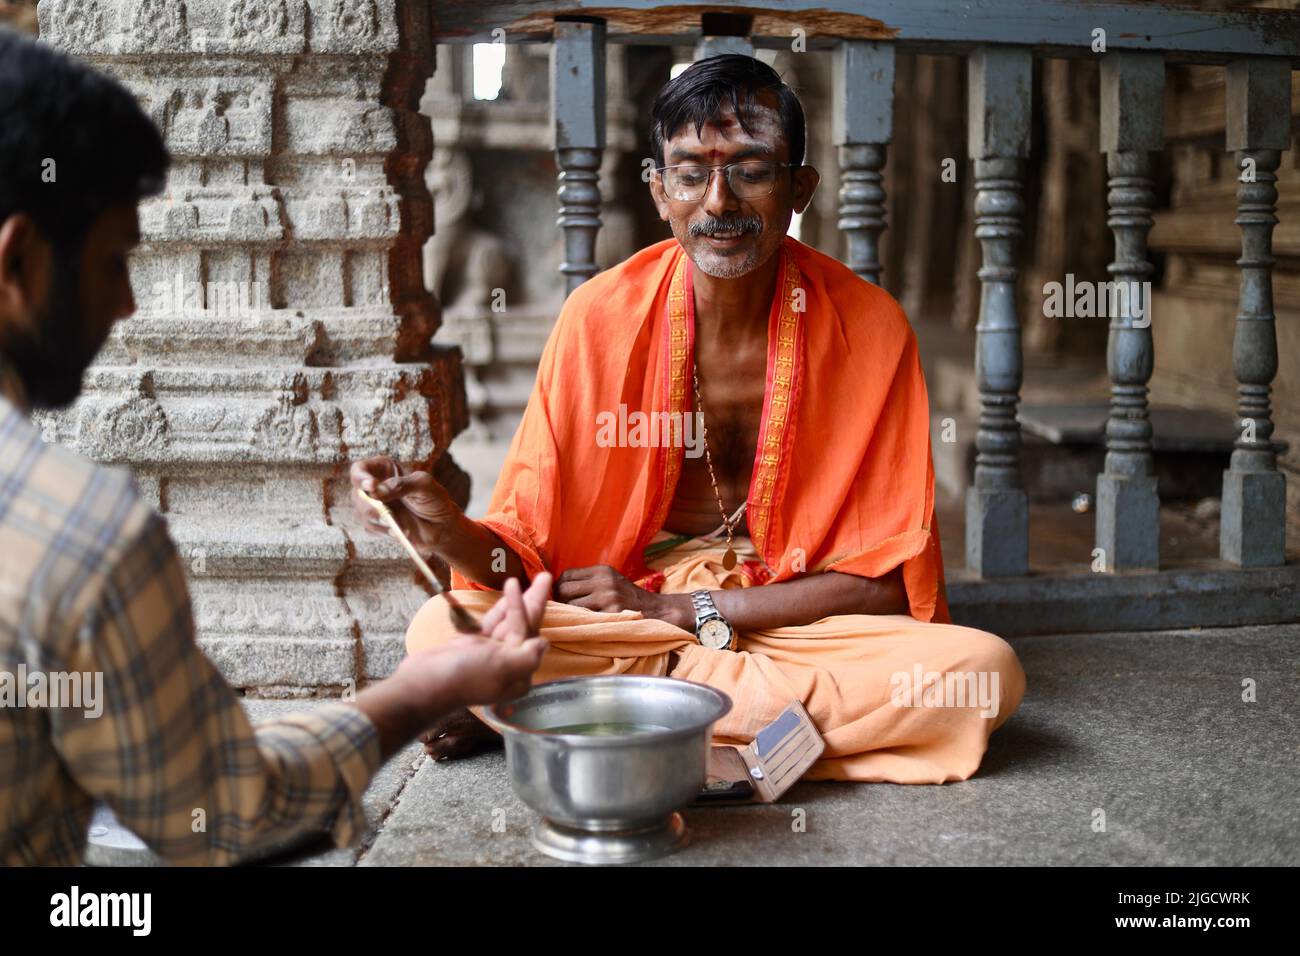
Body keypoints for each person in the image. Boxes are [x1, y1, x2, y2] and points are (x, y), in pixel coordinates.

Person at [352, 54, 1027, 783]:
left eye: (751, 169)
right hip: (625, 621)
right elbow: (524, 563)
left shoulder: (871, 327)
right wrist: (449, 531)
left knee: (985, 673)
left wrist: (683, 611)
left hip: (791, 619)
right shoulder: (596, 320)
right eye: (689, 173)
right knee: (438, 634)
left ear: (799, 187)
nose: (718, 201)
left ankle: (603, 722)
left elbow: (889, 584)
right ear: (658, 192)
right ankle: (736, 736)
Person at [0, 28, 550, 866]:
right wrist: (423, 691)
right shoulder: (76, 533)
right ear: (21, 260)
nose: (126, 309)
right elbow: (229, 813)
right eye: (114, 263)